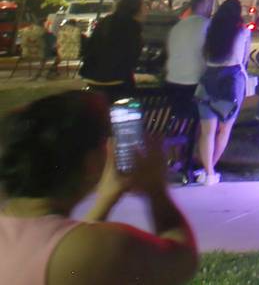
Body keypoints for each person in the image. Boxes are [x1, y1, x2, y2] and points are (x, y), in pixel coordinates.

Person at [0, 90, 198, 285]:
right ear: (91, 163)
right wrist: (156, 188)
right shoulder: (104, 245)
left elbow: (52, 243)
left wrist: (105, 200)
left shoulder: (68, 247)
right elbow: (182, 261)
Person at [193, 0, 251, 186]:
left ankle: (207, 171)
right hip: (232, 81)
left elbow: (203, 56)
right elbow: (243, 59)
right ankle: (209, 171)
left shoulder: (210, 30)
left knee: (207, 132)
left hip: (208, 79)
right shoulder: (242, 32)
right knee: (224, 129)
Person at [163, 0, 214, 183]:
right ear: (204, 5)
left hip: (173, 83)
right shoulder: (207, 26)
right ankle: (197, 160)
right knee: (203, 121)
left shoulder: (177, 27)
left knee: (180, 119)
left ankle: (176, 157)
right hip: (195, 83)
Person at [80, 0, 144, 100]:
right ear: (137, 7)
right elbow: (132, 55)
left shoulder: (106, 20)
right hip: (115, 78)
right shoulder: (132, 25)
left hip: (91, 75)